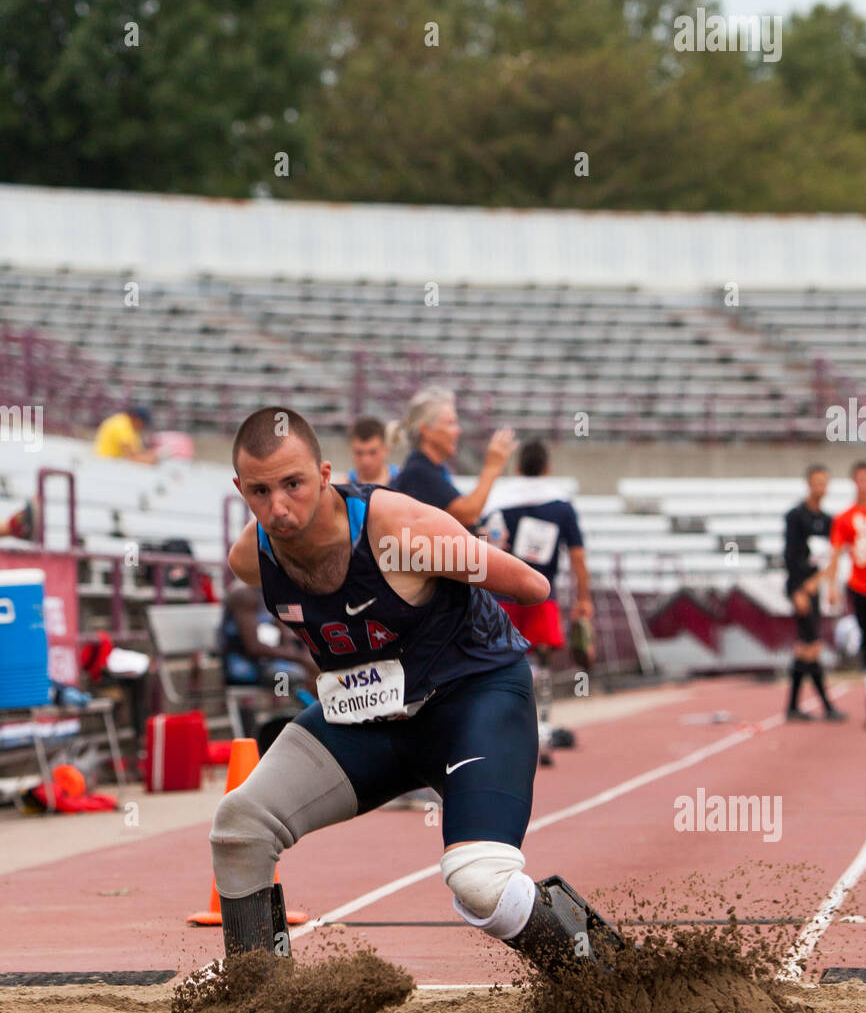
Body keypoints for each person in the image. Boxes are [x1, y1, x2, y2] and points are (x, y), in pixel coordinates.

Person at [209, 405, 623, 979]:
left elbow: (531, 585)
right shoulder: (250, 559)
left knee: (479, 883)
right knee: (239, 826)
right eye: (260, 491)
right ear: (241, 490)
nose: (278, 507)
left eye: (293, 484)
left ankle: (613, 975)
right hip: (368, 719)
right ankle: (261, 998)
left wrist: (446, 557)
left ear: (325, 475)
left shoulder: (398, 529)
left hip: (470, 702)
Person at [487, 439, 592, 762]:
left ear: (518, 467)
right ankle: (541, 731)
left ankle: (503, 732)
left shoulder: (498, 502)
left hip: (502, 597)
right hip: (541, 596)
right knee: (542, 664)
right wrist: (583, 599)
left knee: (500, 667)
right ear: (547, 468)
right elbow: (577, 557)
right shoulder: (561, 505)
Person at [393, 386, 516, 526]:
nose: (458, 431)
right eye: (450, 423)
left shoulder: (432, 468)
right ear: (426, 430)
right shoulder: (419, 472)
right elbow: (467, 514)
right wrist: (492, 468)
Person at [783, 465, 846, 722]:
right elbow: (789, 555)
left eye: (824, 482)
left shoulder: (829, 520)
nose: (821, 487)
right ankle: (826, 706)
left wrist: (825, 584)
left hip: (814, 587)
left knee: (806, 647)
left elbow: (832, 556)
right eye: (816, 482)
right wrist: (797, 590)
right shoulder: (795, 516)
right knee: (812, 645)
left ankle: (793, 707)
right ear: (808, 484)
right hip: (799, 588)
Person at [827, 461, 866, 718]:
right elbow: (835, 552)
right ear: (854, 481)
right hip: (859, 586)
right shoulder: (845, 517)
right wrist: (832, 586)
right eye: (861, 479)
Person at [345, 416, 400, 487]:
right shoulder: (343, 487)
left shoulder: (404, 481)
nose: (366, 460)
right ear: (351, 451)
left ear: (385, 450)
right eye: (359, 453)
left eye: (372, 452)